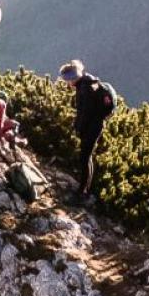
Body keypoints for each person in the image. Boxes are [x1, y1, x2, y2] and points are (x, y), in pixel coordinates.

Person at [60, 59, 118, 202]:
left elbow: (84, 113)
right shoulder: (90, 83)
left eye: (66, 80)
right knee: (87, 157)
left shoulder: (84, 90)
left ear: (72, 78)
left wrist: (79, 129)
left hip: (92, 127)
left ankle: (81, 193)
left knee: (84, 158)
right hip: (96, 124)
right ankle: (85, 189)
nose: (67, 84)